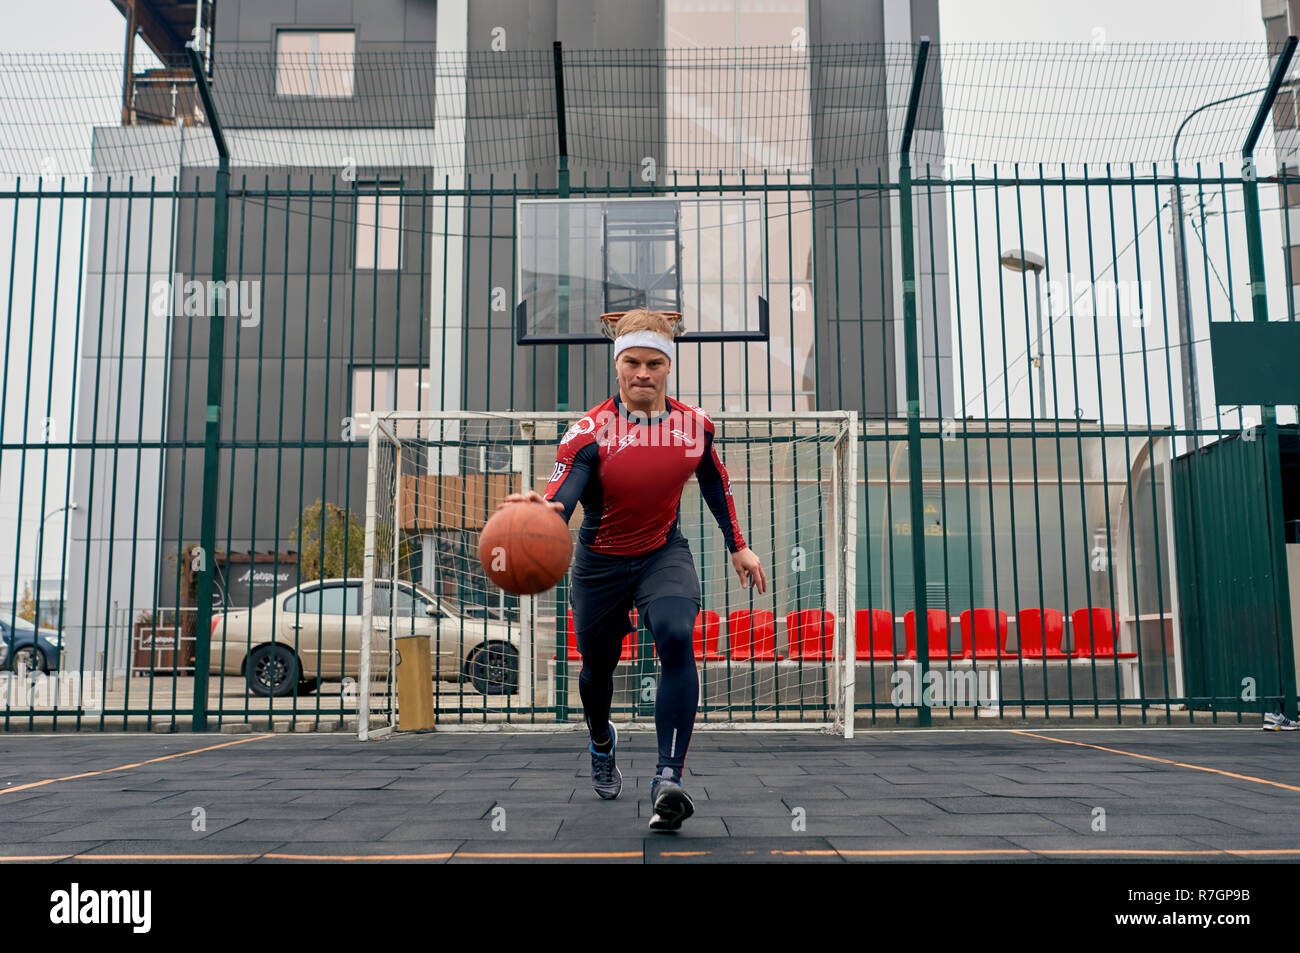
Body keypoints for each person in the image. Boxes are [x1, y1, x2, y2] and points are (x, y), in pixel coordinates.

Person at [498, 309, 766, 831]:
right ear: (617, 366)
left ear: (669, 367)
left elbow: (714, 482)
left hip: (663, 553)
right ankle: (602, 739)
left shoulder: (695, 426)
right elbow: (563, 500)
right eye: (632, 362)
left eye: (654, 363)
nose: (643, 372)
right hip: (599, 564)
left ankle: (668, 779)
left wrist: (738, 544)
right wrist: (542, 512)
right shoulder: (588, 433)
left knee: (674, 635)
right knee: (597, 670)